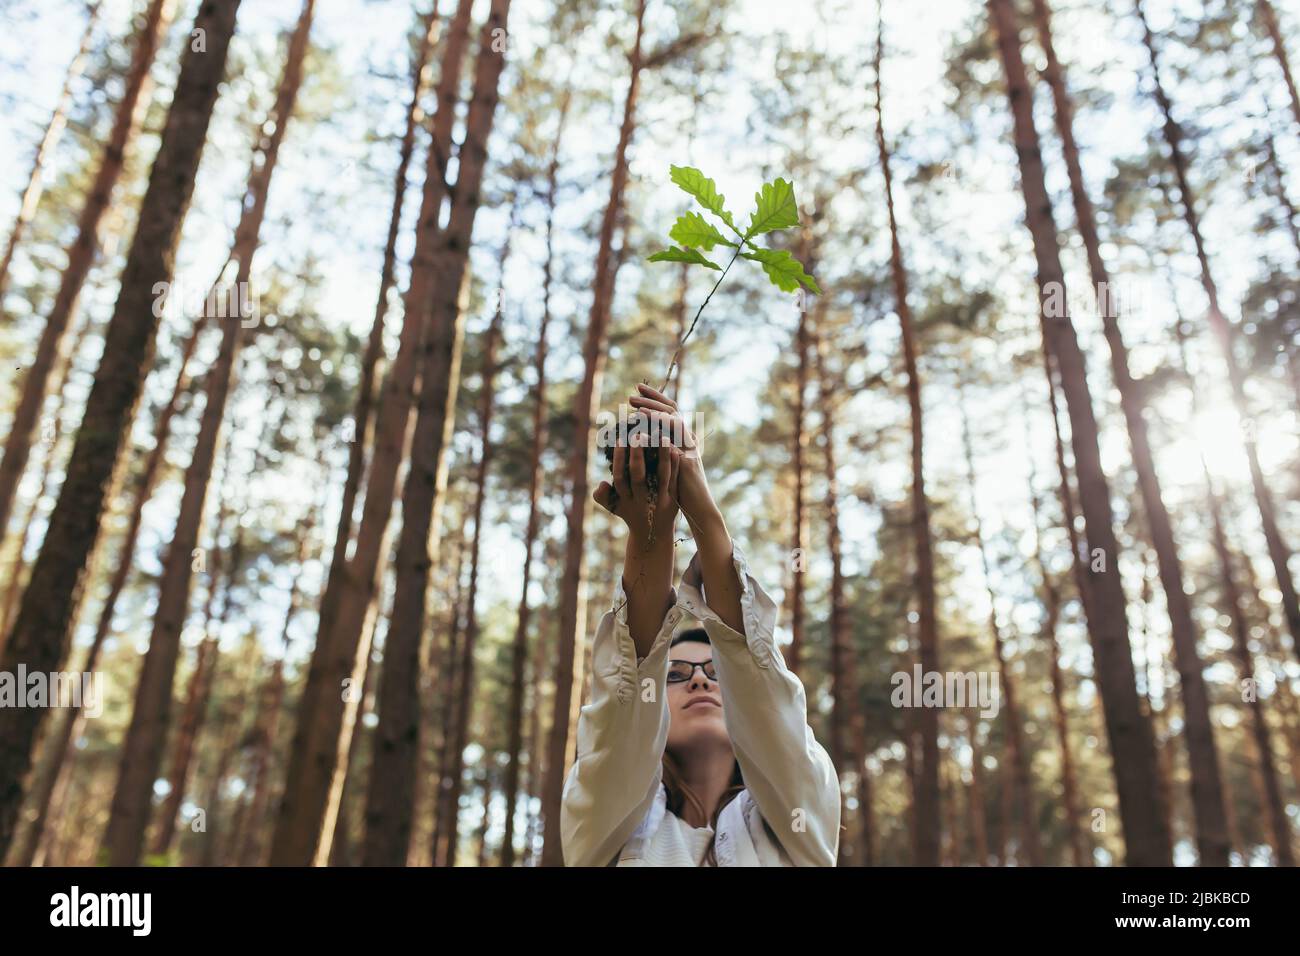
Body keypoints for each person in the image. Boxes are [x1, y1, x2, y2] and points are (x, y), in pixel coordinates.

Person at [560, 383, 840, 866]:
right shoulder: (601, 824)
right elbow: (623, 710)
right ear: (656, 715)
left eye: (714, 672)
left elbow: (763, 690)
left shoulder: (803, 813)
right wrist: (652, 528)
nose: (698, 679)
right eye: (676, 674)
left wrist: (697, 495)